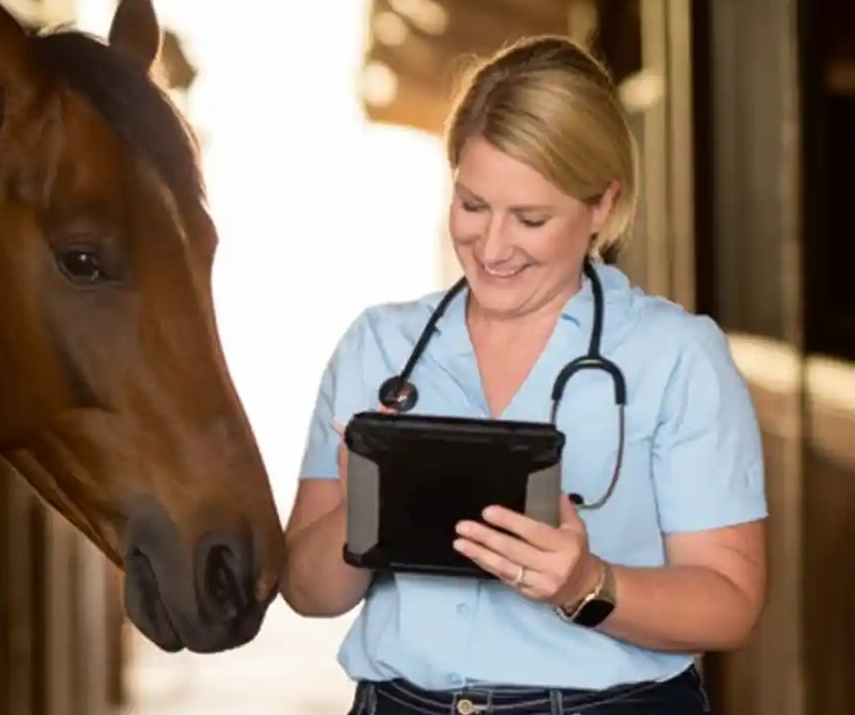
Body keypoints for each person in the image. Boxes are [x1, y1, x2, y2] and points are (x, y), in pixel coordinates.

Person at [282, 35, 768, 715]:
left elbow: (730, 604)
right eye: (472, 205)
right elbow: (307, 594)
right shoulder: (380, 346)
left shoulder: (677, 356)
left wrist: (585, 583)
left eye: (531, 218)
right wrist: (362, 509)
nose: (493, 246)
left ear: (601, 205)